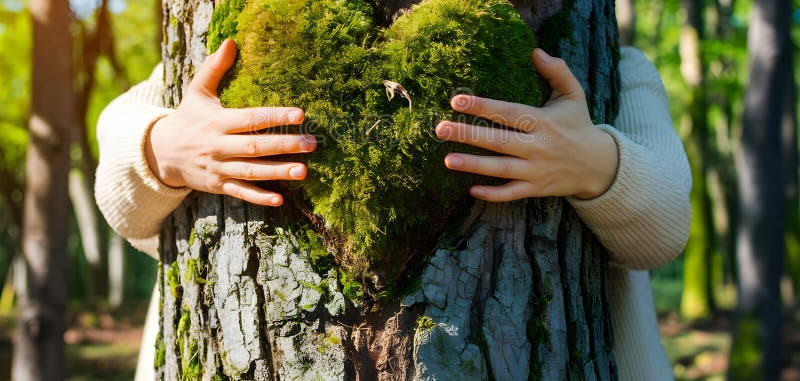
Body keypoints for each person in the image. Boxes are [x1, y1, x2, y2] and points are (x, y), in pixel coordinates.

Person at [95, 38, 691, 380]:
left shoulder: (614, 66)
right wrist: (161, 149)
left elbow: (664, 230)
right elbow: (131, 210)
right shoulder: (197, 63)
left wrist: (595, 165)